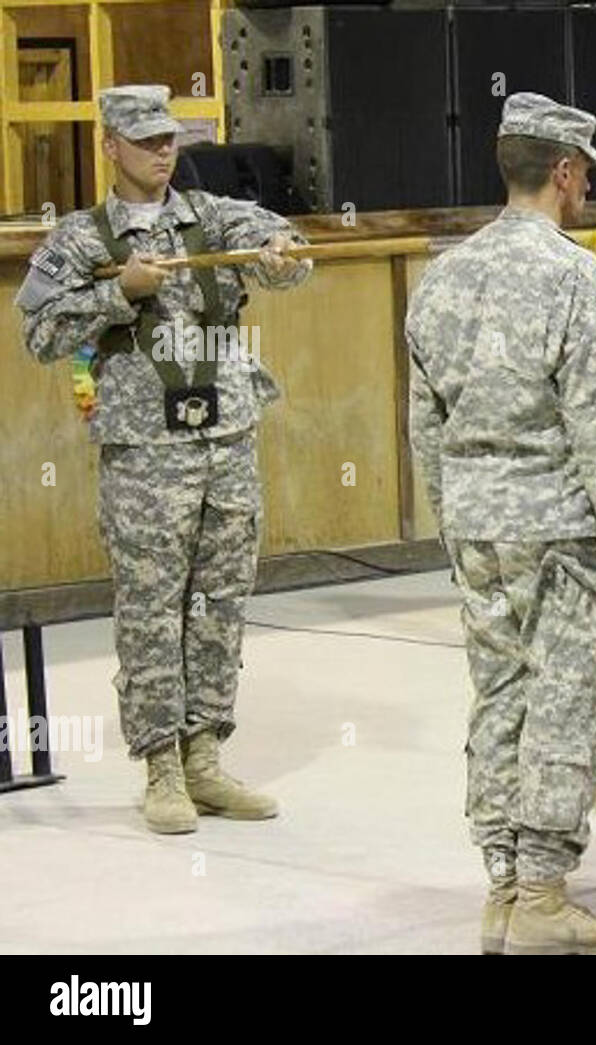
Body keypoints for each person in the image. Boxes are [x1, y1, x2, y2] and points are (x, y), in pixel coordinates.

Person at [16, 85, 312, 835]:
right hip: (146, 453)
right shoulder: (82, 240)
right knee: (151, 610)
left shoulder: (210, 215)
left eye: (168, 137)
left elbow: (286, 257)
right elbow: (40, 334)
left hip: (227, 439)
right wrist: (122, 297)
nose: (161, 150)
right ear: (109, 145)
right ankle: (162, 768)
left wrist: (282, 256)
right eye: (144, 140)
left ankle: (207, 756)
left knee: (219, 604)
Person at [406, 92, 596, 955]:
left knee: (499, 700)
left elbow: (424, 425)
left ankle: (503, 890)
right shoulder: (571, 275)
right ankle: (544, 895)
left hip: (479, 529)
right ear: (562, 172)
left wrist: (455, 521)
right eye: (585, 173)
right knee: (565, 705)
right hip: (559, 528)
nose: (585, 187)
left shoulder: (442, 274)